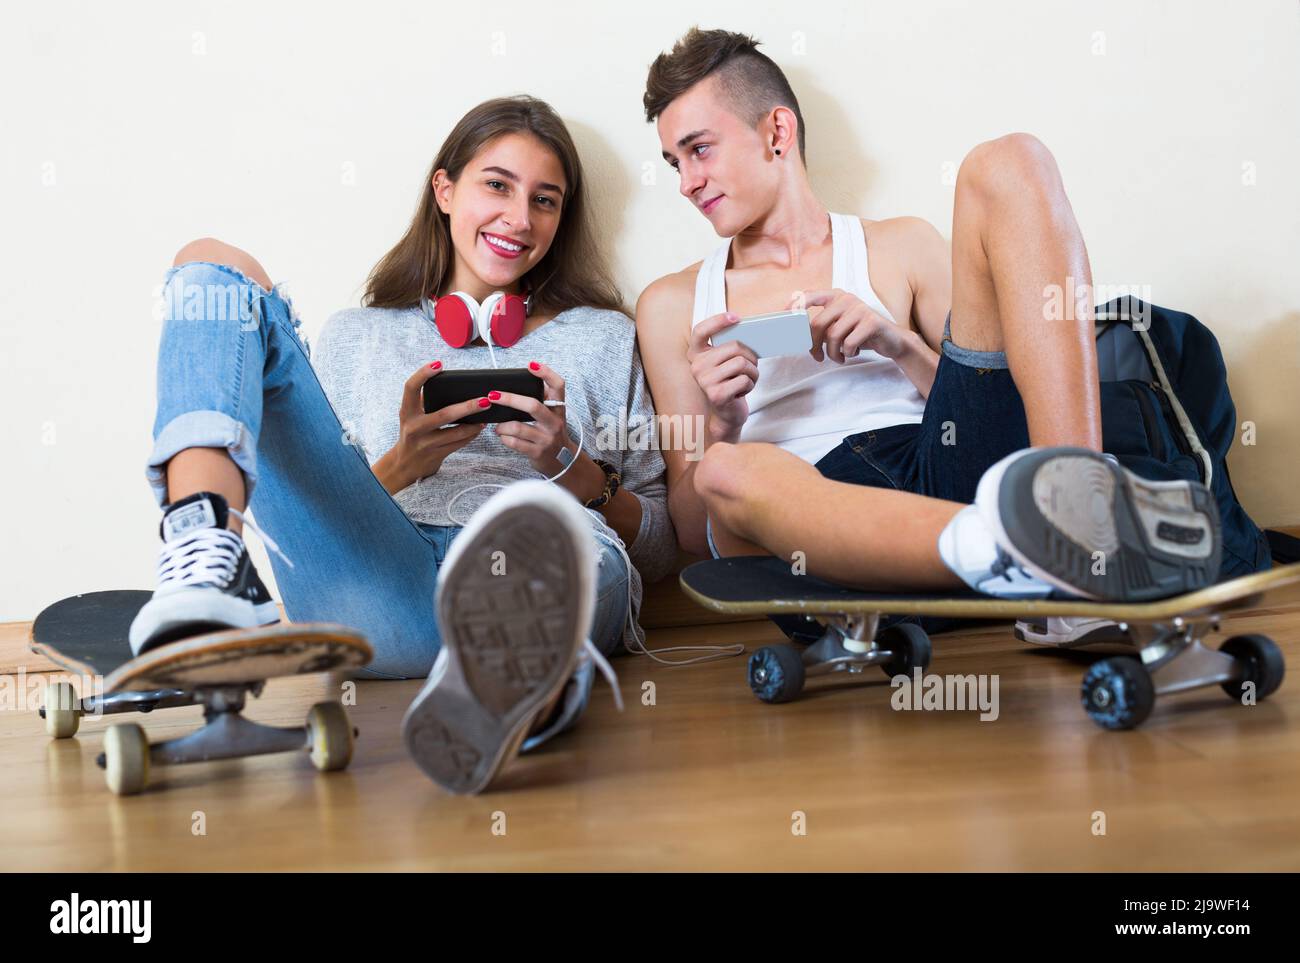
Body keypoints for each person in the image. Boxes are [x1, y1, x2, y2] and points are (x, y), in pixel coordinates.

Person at [131, 95, 676, 795]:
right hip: (377, 585)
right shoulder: (357, 335)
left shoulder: (604, 337)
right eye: (497, 185)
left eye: (546, 200)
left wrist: (568, 468)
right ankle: (204, 560)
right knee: (209, 264)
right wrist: (403, 463)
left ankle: (495, 690)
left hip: (534, 571)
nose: (520, 218)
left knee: (568, 538)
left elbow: (659, 546)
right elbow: (325, 508)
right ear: (444, 190)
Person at [635, 28, 1221, 612]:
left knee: (1011, 160)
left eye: (699, 149)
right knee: (722, 472)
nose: (687, 183)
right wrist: (722, 424)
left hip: (940, 461)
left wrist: (902, 346)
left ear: (777, 132)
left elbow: (1005, 397)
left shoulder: (903, 245)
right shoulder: (671, 305)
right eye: (673, 162)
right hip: (807, 524)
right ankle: (1032, 556)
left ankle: (1082, 517)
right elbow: (690, 531)